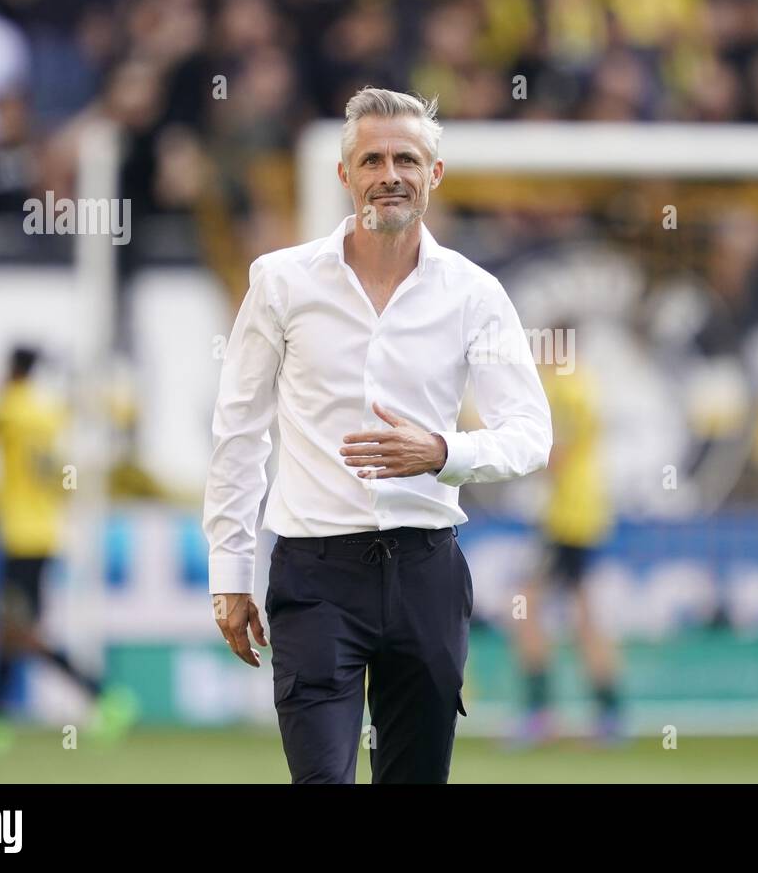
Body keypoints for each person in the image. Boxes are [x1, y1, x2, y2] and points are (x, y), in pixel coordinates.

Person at [205, 87, 552, 783]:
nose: (389, 173)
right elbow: (239, 431)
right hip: (316, 574)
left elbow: (531, 433)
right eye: (372, 159)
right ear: (345, 176)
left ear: (435, 173)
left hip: (426, 570)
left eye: (406, 158)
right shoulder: (280, 282)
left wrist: (445, 451)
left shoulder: (474, 292)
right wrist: (230, 572)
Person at [0, 346, 137, 752]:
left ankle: (100, 697)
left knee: (18, 630)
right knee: (12, 630)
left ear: (12, 371)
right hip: (45, 534)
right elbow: (114, 414)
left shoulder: (10, 408)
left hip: (21, 536)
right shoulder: (48, 410)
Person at [510, 357, 624, 746]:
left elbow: (555, 455)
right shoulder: (584, 385)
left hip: (568, 520)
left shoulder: (562, 390)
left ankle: (540, 715)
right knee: (582, 614)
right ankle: (610, 714)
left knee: (524, 605)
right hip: (585, 514)